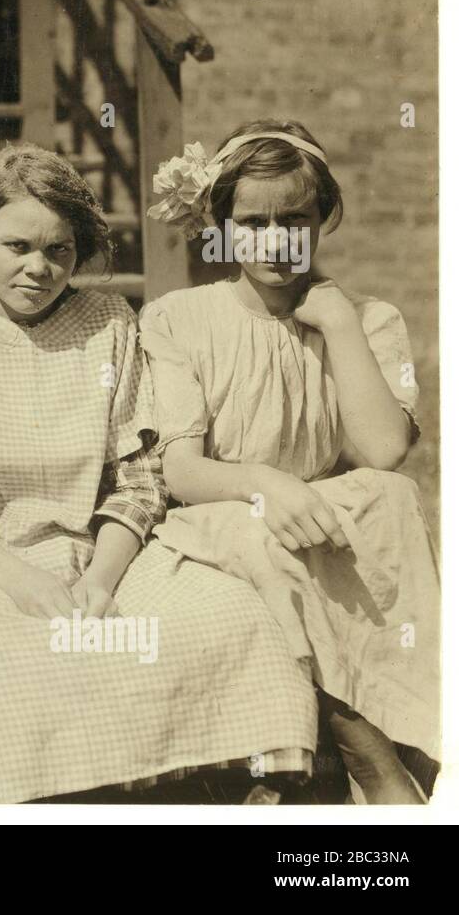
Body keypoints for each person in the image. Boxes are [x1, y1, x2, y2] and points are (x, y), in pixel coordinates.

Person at [0, 143, 317, 803]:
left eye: (59, 251)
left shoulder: (108, 322)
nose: (37, 269)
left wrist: (100, 582)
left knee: (233, 619)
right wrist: (23, 582)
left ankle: (234, 795)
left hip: (110, 551)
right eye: (16, 246)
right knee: (11, 664)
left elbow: (138, 477)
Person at [141, 120, 440, 803]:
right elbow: (181, 470)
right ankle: (373, 761)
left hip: (323, 510)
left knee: (391, 500)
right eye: (251, 222)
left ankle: (421, 741)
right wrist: (262, 486)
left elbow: (384, 451)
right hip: (223, 515)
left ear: (324, 216)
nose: (275, 240)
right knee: (264, 540)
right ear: (220, 224)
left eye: (295, 219)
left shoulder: (369, 320)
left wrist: (335, 324)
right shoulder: (178, 319)